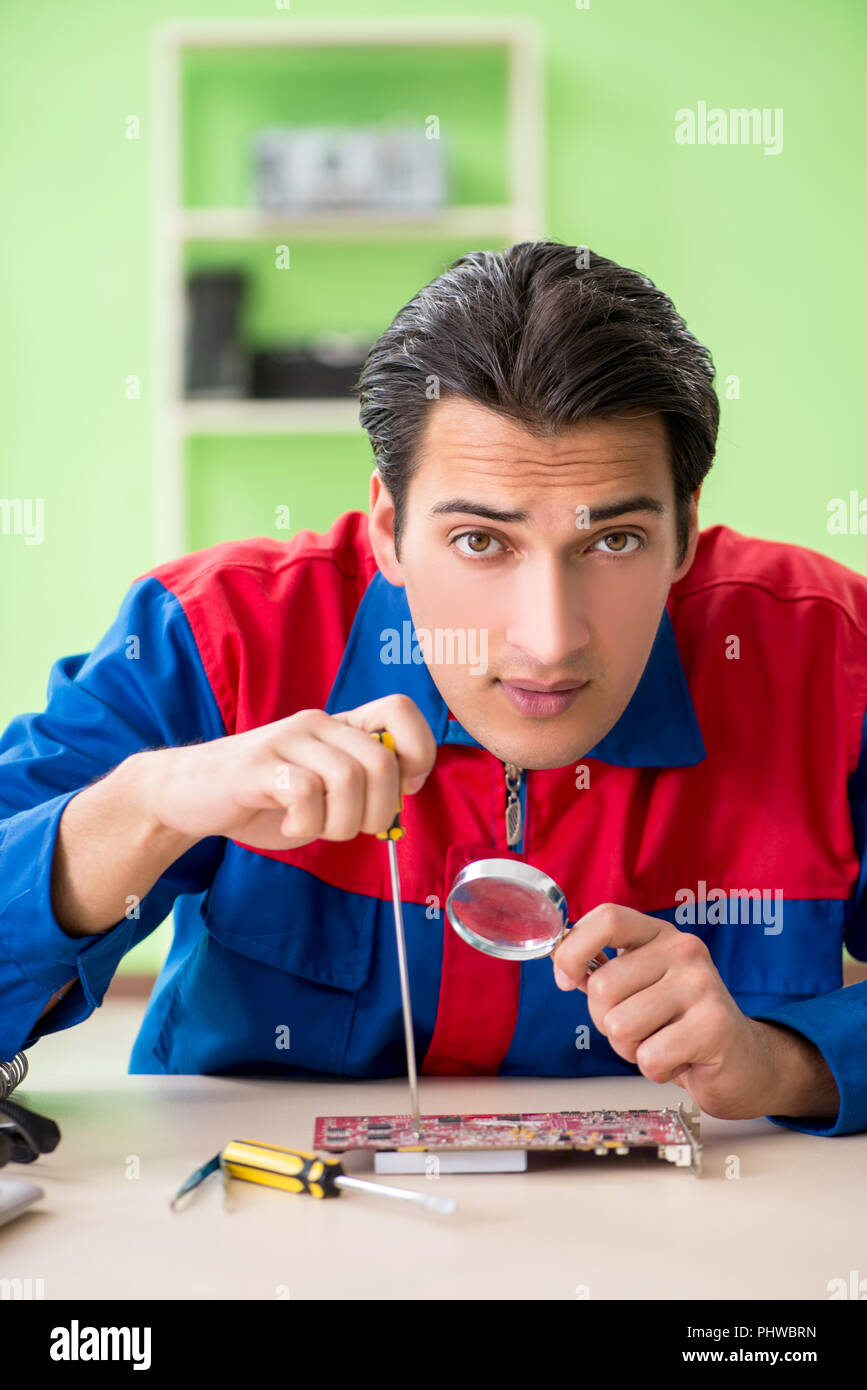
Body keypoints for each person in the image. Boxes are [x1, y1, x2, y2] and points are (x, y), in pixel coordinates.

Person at [1, 242, 865, 1135]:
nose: (548, 638)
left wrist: (785, 1064)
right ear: (388, 527)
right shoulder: (215, 636)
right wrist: (150, 805)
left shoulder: (829, 654)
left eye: (612, 542)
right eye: (480, 542)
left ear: (683, 534)